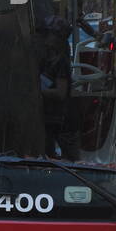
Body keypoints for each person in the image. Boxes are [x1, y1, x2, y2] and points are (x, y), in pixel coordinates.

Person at [35, 15, 79, 160]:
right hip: (49, 118)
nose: (45, 38)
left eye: (49, 34)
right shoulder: (46, 58)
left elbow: (61, 93)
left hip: (61, 120)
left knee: (70, 159)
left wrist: (38, 93)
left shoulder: (60, 62)